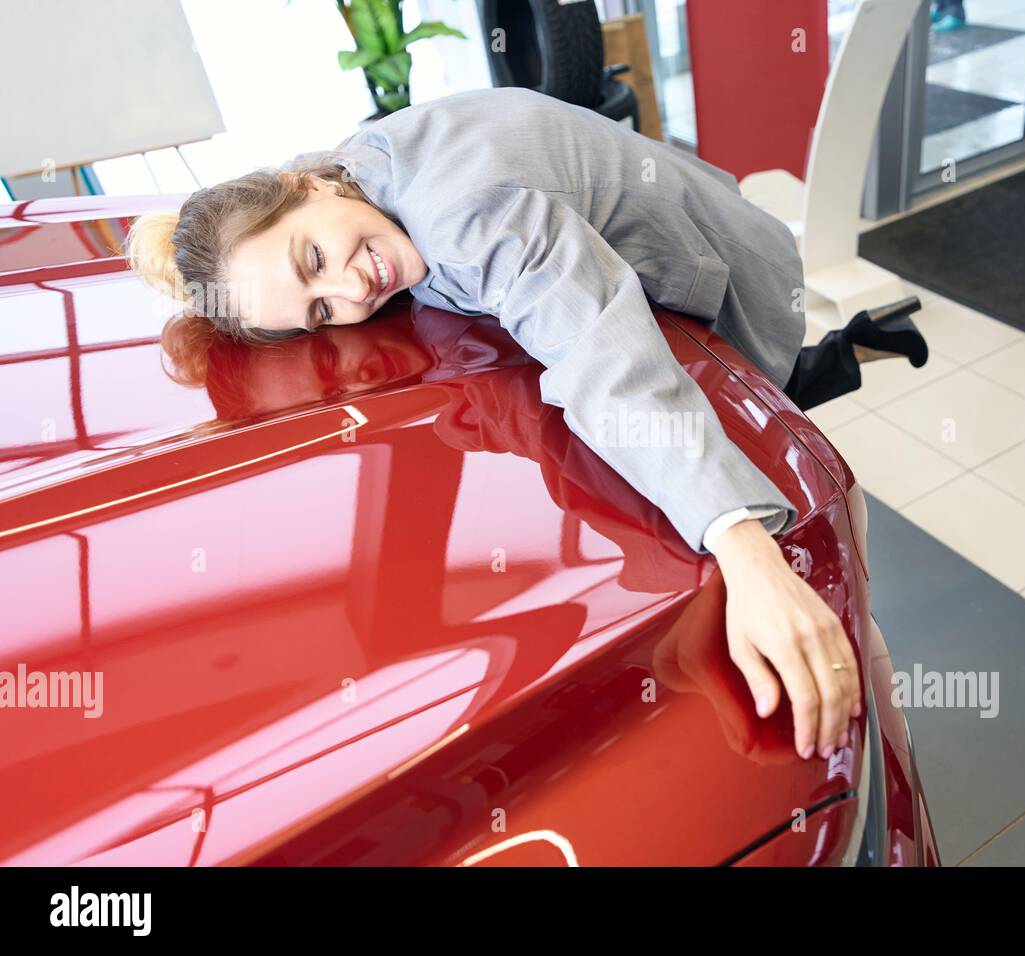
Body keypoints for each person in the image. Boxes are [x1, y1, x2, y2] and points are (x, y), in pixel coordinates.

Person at [126, 86, 927, 765]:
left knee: (753, 408)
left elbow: (606, 362)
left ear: (305, 186)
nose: (350, 291)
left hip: (720, 266)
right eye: (320, 312)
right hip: (661, 217)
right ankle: (863, 346)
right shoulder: (350, 168)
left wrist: (752, 558)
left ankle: (859, 346)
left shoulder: (467, 214)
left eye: (312, 261)